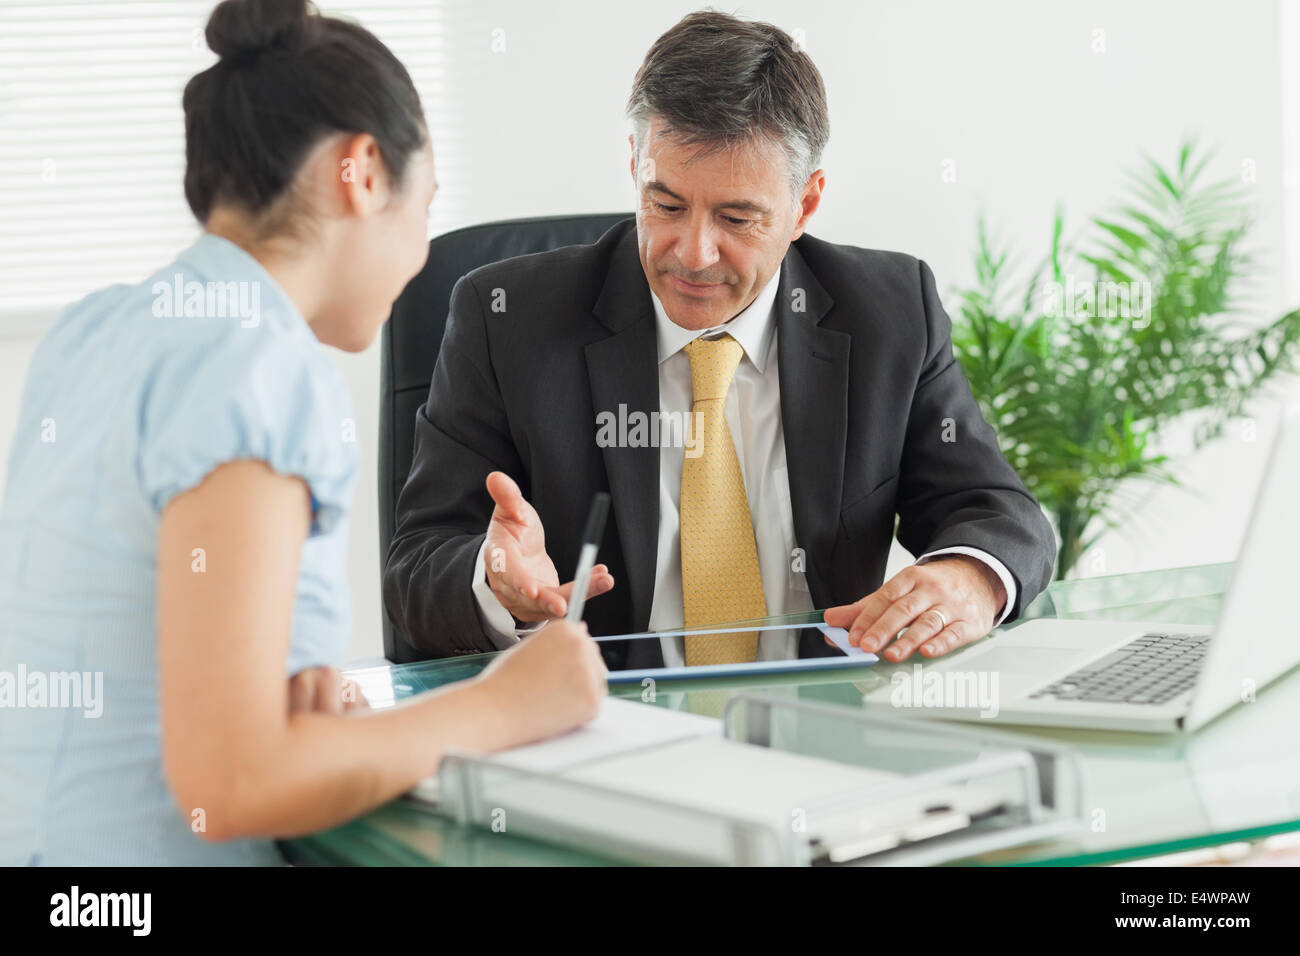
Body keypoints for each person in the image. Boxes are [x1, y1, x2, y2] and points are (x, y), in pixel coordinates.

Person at [0, 0, 605, 867]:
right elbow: (231, 783)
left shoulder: (93, 331)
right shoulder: (262, 364)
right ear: (360, 171)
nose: (423, 251)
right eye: (421, 206)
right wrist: (507, 706)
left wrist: (311, 733)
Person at [383, 10, 1057, 670]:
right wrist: (494, 575)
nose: (694, 252)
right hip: (606, 736)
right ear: (635, 165)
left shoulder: (887, 312)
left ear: (806, 205)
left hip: (819, 735)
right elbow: (418, 564)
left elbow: (996, 511)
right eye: (667, 204)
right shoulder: (506, 319)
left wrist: (969, 577)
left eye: (737, 217)